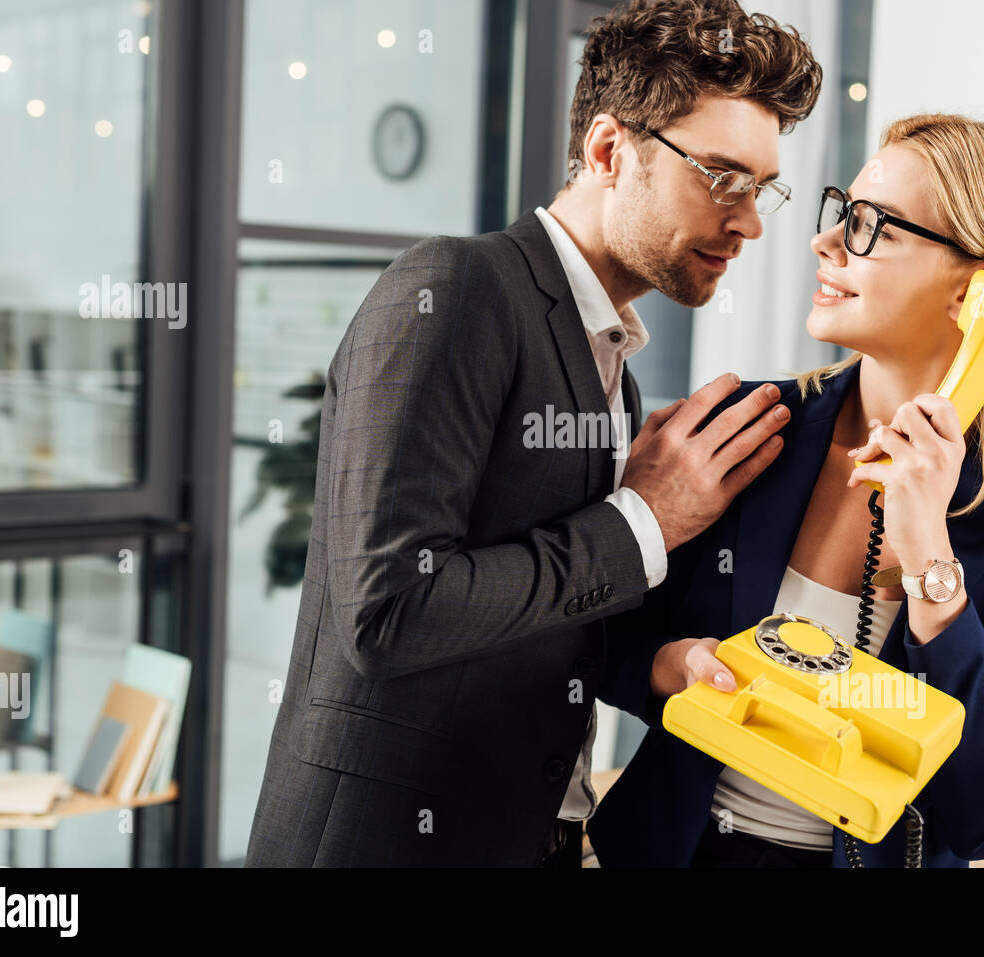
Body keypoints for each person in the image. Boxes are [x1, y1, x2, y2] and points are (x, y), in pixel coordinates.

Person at [244, 0, 822, 867]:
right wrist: (645, 519)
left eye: (762, 188)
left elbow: (544, 618)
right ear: (609, 150)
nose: (749, 221)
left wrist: (664, 660)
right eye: (721, 176)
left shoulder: (614, 373)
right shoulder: (455, 288)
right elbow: (389, 610)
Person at [589, 112, 984, 868]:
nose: (826, 241)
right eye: (843, 210)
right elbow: (590, 638)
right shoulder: (742, 427)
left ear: (981, 295)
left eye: (873, 226)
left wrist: (929, 559)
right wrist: (667, 666)